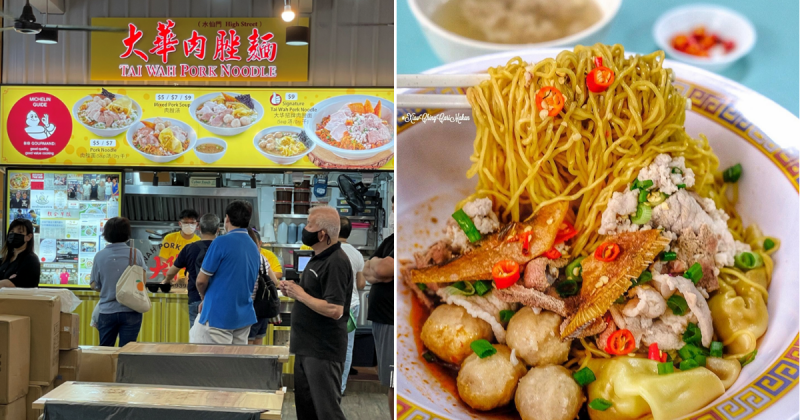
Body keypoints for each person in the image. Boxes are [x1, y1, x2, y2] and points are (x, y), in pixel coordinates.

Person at [280, 206, 352, 420]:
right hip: (306, 347)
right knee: (306, 409)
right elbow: (314, 296)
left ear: (322, 234)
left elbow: (335, 309)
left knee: (327, 412)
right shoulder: (318, 257)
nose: (305, 228)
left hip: (323, 350)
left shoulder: (336, 261)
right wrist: (295, 291)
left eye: (310, 224)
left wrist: (300, 294)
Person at [194, 201, 260, 345]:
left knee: (214, 364)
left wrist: (204, 297)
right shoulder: (254, 246)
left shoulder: (220, 242)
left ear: (227, 219)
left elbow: (201, 280)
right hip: (244, 315)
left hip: (218, 314)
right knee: (235, 363)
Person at [90, 217, 146, 347]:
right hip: (131, 309)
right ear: (127, 234)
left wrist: (108, 287)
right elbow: (142, 281)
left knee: (105, 350)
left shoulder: (100, 255)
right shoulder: (135, 253)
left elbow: (94, 284)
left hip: (107, 311)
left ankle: (105, 368)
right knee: (127, 351)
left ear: (106, 234)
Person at [365, 197, 395, 418]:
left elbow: (383, 268)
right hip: (383, 321)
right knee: (390, 381)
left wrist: (378, 268)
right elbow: (367, 271)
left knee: (394, 382)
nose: (393, 211)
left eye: (396, 207)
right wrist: (377, 269)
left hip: (393, 321)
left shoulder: (400, 240)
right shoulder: (392, 240)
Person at [164, 213, 219, 328]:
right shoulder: (223, 248)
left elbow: (171, 272)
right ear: (218, 230)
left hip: (196, 298)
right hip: (219, 300)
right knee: (219, 338)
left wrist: (167, 281)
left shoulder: (190, 248)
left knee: (196, 339)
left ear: (198, 228)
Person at [338, 217, 366, 395]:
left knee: (329, 346)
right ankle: (341, 387)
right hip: (352, 306)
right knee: (347, 347)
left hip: (331, 306)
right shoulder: (357, 254)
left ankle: (327, 386)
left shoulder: (330, 251)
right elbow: (361, 283)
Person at [247, 228, 281, 345]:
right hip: (263, 308)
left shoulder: (245, 258)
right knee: (258, 346)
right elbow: (275, 281)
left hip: (249, 309)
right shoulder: (262, 258)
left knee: (247, 347)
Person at [159, 209, 200, 279]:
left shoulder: (199, 241)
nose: (189, 225)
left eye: (192, 223)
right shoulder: (169, 238)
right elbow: (163, 260)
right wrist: (170, 274)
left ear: (196, 224)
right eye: (186, 223)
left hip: (191, 280)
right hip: (172, 279)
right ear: (180, 224)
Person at [0, 220, 40, 288]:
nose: (14, 234)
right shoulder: (4, 260)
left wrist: (7, 282)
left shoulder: (31, 260)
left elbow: (19, 284)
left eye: (20, 232)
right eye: (12, 231)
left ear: (29, 237)